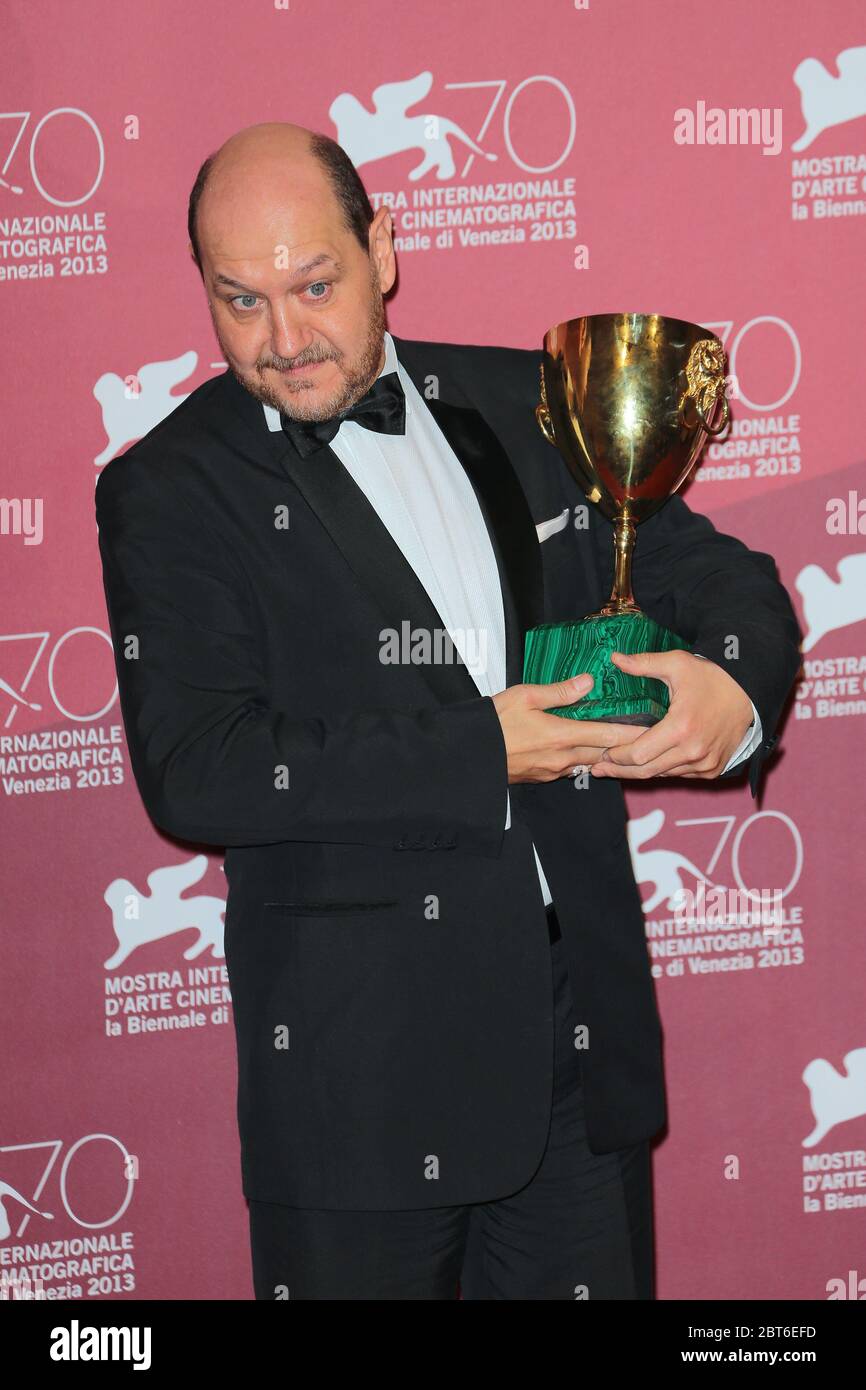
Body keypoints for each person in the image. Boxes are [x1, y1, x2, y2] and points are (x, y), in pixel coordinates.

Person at [95, 122, 803, 1300]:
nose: (282, 340)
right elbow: (198, 767)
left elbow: (710, 574)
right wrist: (486, 749)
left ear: (382, 248)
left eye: (313, 285)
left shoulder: (532, 400)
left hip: (574, 1058)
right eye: (240, 301)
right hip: (354, 1091)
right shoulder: (167, 491)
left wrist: (735, 686)